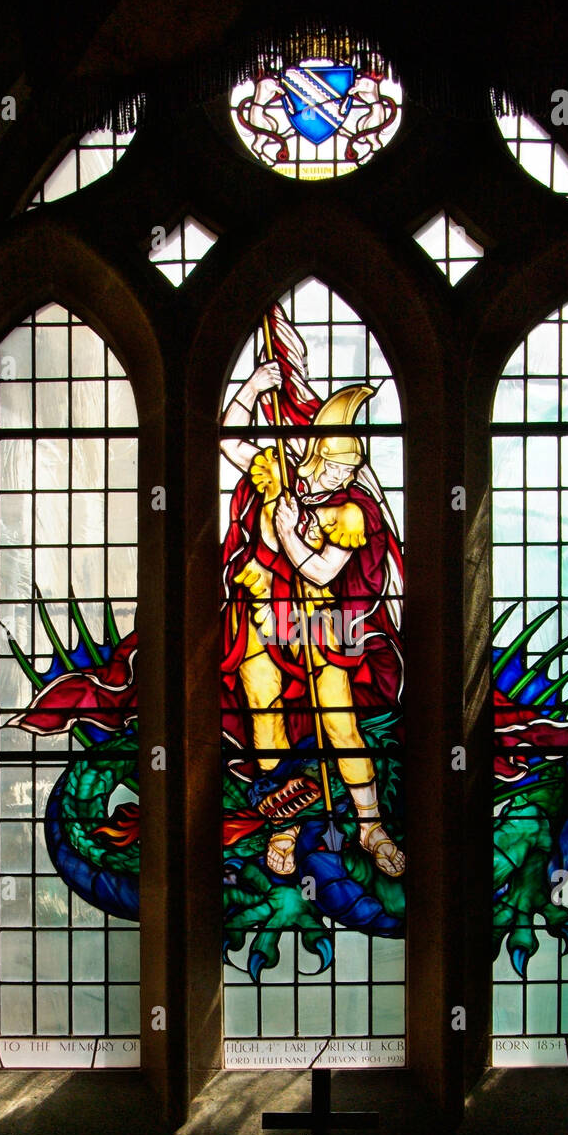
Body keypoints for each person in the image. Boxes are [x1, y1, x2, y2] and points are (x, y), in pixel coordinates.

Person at [221, 358, 405, 878]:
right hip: (265, 614)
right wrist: (254, 385)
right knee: (263, 707)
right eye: (339, 466)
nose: (346, 477)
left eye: (351, 470)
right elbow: (230, 442)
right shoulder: (276, 469)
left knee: (339, 720)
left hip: (322, 625)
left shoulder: (351, 512)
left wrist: (288, 535)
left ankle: (370, 825)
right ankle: (283, 823)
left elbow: (323, 572)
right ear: (318, 452)